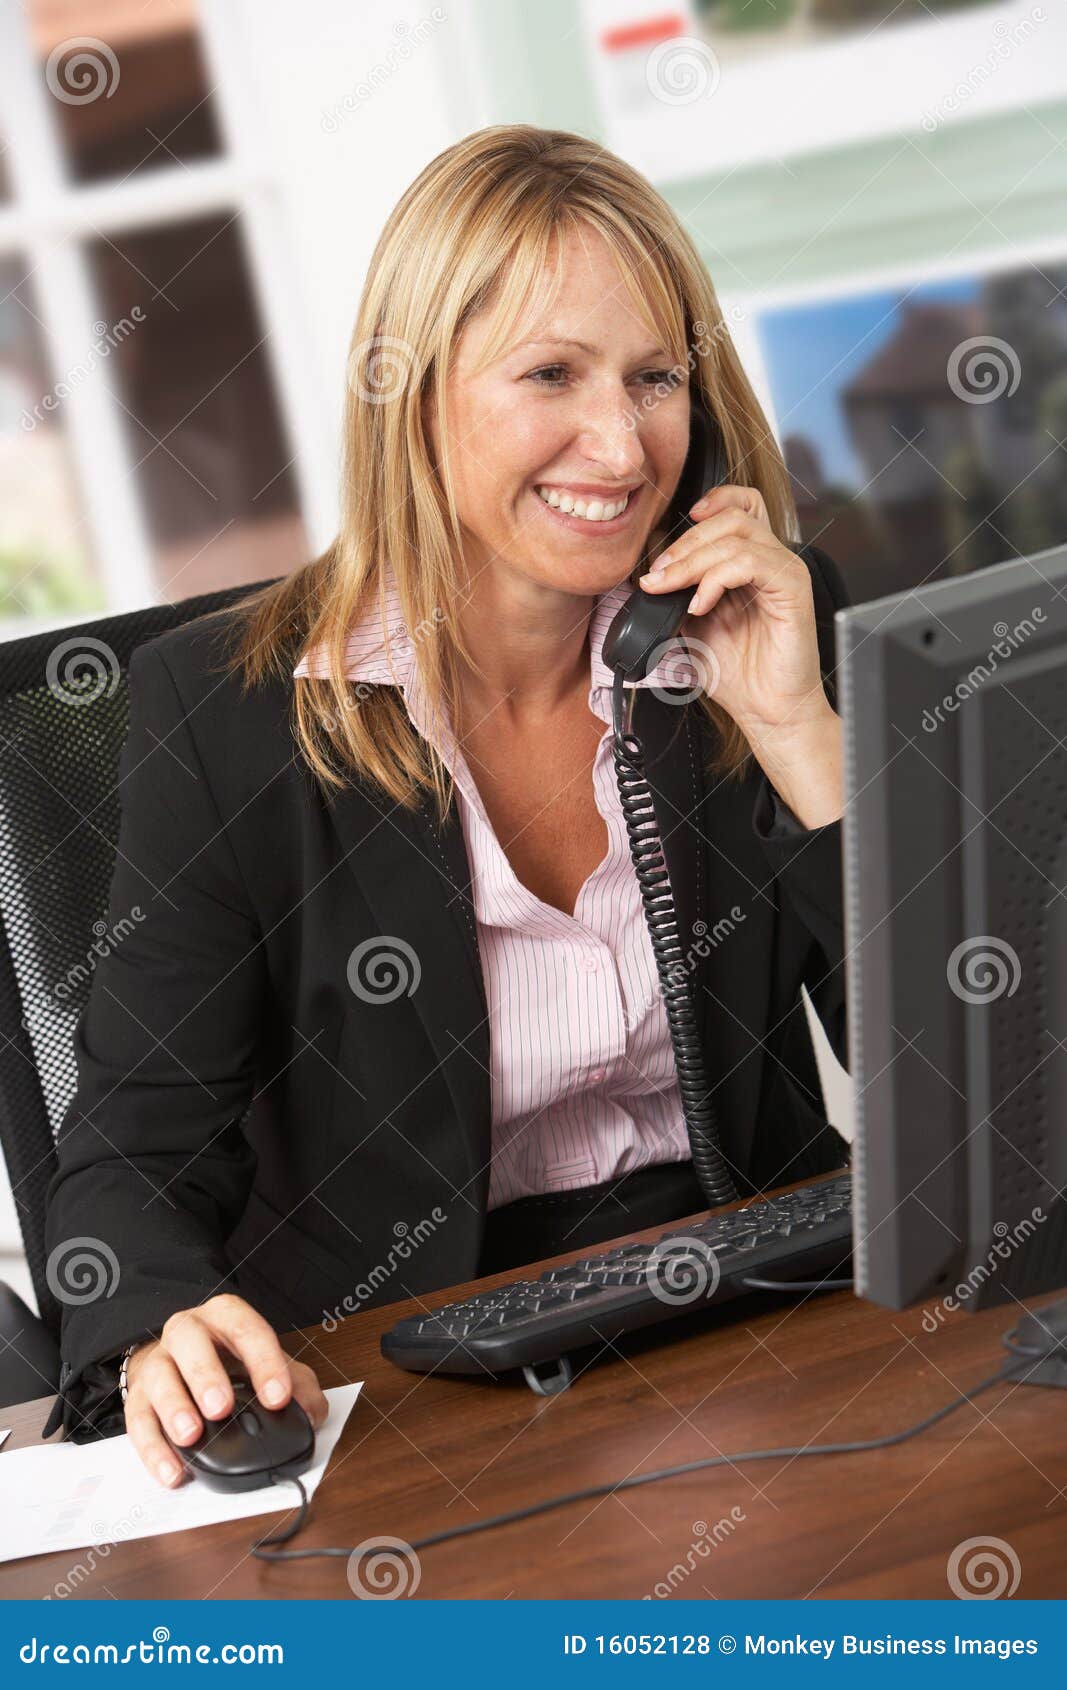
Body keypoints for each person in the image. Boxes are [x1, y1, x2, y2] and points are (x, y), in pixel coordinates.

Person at [41, 125, 850, 1487]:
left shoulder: (759, 626)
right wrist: (156, 1333)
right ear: (413, 397)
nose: (622, 439)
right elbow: (132, 1148)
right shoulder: (236, 713)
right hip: (410, 1379)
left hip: (770, 1316)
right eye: (552, 373)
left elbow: (988, 1065)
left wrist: (794, 727)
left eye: (656, 376)